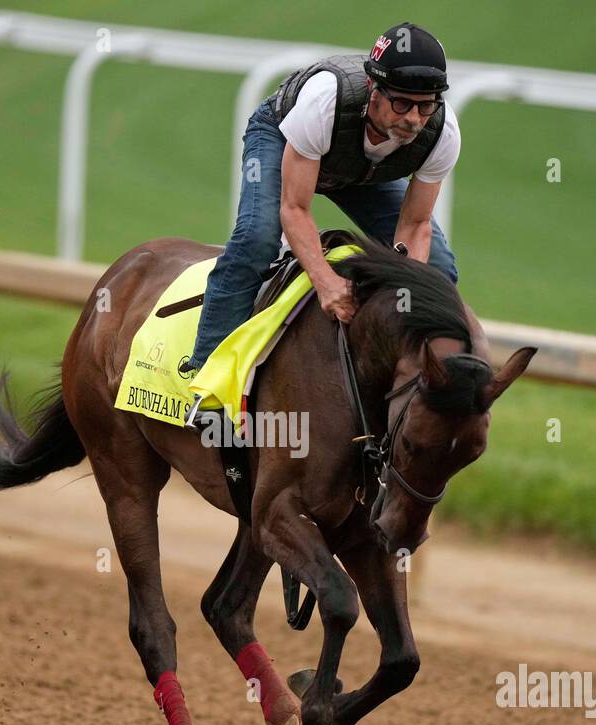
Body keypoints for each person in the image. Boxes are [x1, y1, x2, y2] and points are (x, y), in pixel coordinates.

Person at [181, 21, 462, 427]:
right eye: (402, 104)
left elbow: (416, 225)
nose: (414, 120)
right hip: (283, 140)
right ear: (372, 89)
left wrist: (409, 294)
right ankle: (206, 377)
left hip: (363, 170)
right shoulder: (324, 101)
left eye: (425, 105)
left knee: (437, 268)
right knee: (257, 239)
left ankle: (413, 385)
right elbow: (295, 209)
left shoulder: (443, 132)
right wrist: (326, 283)